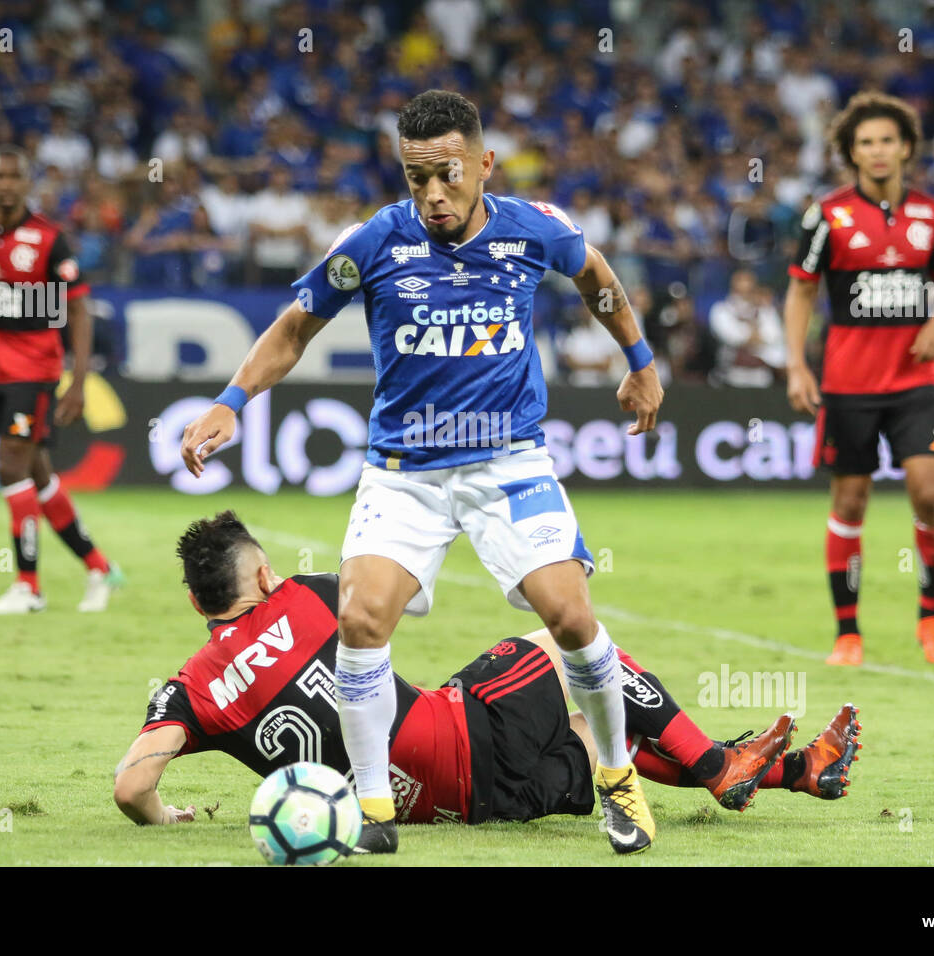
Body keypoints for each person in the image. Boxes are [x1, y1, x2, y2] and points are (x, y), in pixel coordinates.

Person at [180, 90, 665, 855]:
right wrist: (232, 399)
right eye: (416, 179)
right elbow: (295, 325)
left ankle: (617, 780)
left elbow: (596, 275)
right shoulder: (373, 242)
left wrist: (639, 361)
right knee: (361, 618)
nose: (434, 195)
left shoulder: (536, 229)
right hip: (404, 471)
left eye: (448, 174)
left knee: (571, 617)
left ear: (483, 163)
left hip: (509, 460)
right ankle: (372, 806)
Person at [113, 512, 862, 830]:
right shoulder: (306, 596)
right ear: (267, 574)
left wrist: (164, 817)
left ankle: (794, 773)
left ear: (193, 601)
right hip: (463, 738)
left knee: (595, 735)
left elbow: (131, 785)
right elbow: (390, 596)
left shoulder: (189, 690)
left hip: (462, 810)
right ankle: (714, 761)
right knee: (577, 645)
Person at [783, 91, 934, 668]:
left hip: (915, 382)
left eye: (887, 140)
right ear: (851, 154)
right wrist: (796, 363)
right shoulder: (827, 216)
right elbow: (802, 290)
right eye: (865, 143)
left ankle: (931, 619)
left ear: (905, 147)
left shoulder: (932, 214)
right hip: (850, 385)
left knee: (928, 493)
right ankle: (848, 633)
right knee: (851, 501)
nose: (877, 151)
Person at [0, 145, 123, 614]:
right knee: (39, 476)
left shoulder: (50, 239)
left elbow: (78, 308)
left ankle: (28, 587)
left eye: (16, 177)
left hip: (33, 373)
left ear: (26, 183)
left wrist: (77, 379)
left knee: (10, 468)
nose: (7, 184)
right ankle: (99, 568)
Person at [709, 268, 787, 387]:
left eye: (749, 283)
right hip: (731, 376)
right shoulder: (721, 310)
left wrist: (749, 334)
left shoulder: (765, 310)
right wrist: (754, 334)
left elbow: (774, 336)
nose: (746, 287)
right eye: (741, 281)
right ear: (733, 286)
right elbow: (733, 337)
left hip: (762, 376)